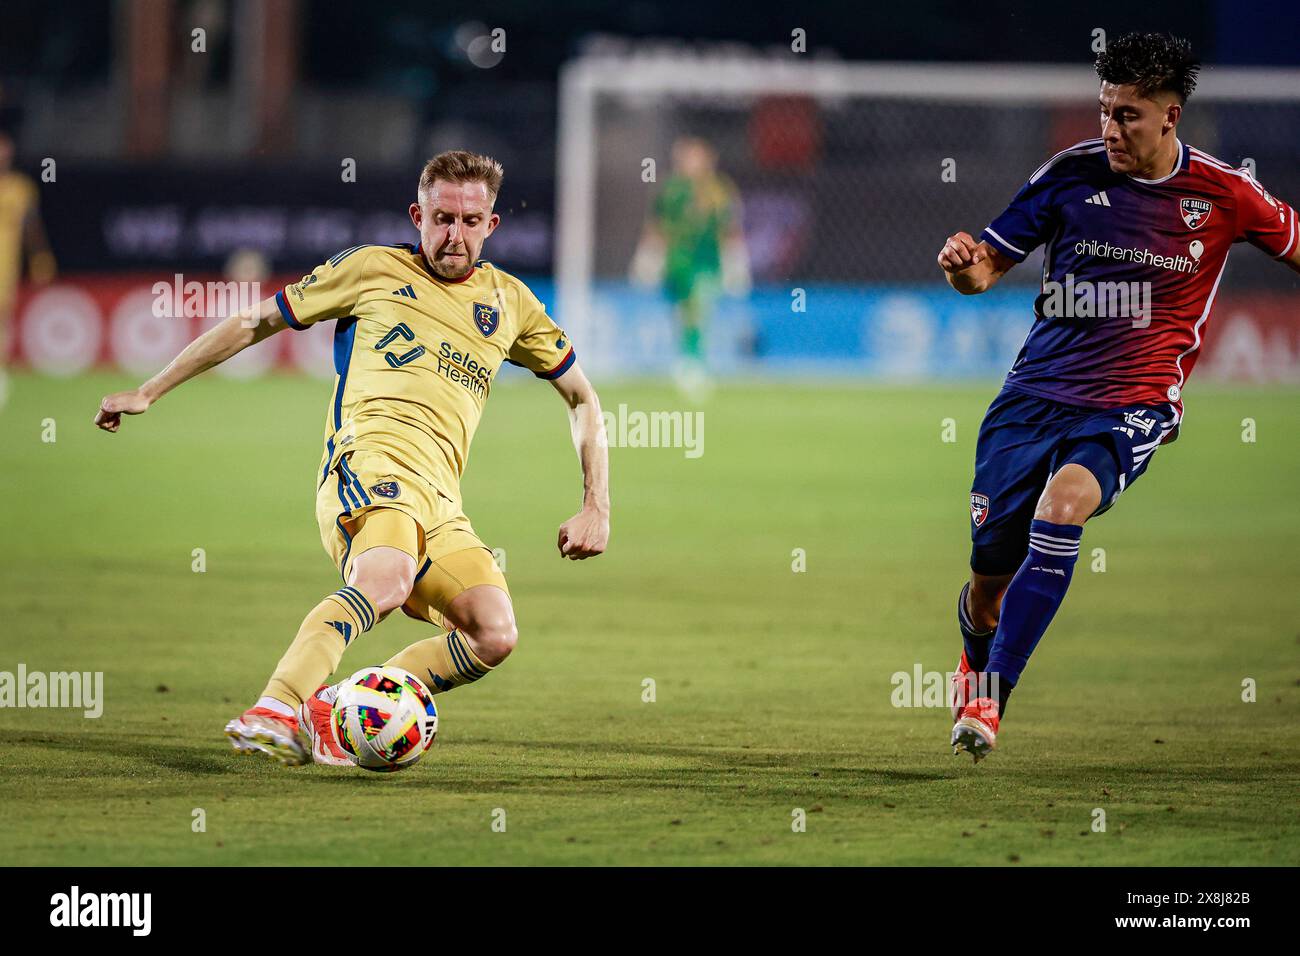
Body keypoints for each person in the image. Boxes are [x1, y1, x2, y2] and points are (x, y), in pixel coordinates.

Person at [95, 150, 611, 766]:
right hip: (368, 468)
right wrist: (150, 389)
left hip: (440, 503)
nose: (455, 234)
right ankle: (277, 705)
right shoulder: (371, 270)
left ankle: (335, 704)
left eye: (471, 221)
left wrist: (595, 504)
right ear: (418, 215)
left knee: (491, 631)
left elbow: (582, 395)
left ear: (491, 225)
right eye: (442, 218)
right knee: (385, 582)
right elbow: (257, 321)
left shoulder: (511, 303)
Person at [937, 33, 1298, 761]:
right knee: (987, 582)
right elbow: (983, 272)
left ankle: (992, 700)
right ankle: (975, 652)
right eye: (1104, 111)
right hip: (1034, 394)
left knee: (1064, 505)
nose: (1109, 129)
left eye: (1126, 115)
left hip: (1134, 400)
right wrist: (960, 266)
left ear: (1170, 117)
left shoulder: (1225, 194)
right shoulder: (1069, 175)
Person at [631, 137, 749, 398]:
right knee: (685, 313)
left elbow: (730, 228)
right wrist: (648, 258)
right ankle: (689, 361)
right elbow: (657, 225)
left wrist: (736, 262)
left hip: (708, 262)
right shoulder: (670, 189)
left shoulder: (720, 190)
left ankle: (692, 365)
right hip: (678, 262)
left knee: (698, 309)